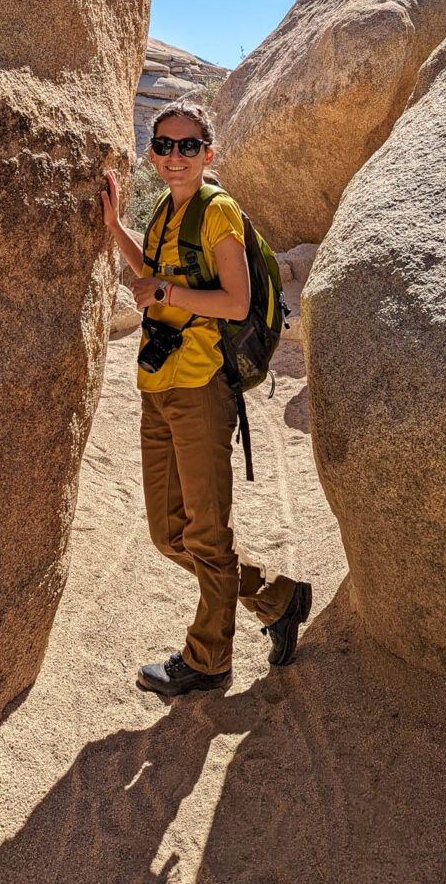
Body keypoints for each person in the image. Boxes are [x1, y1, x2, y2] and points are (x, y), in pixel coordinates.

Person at [103, 100, 312, 696]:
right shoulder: (168, 213)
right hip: (159, 384)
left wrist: (163, 289)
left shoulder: (217, 212)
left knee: (206, 535)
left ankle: (208, 657)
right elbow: (153, 273)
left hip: (200, 385)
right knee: (170, 533)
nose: (175, 156)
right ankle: (280, 597)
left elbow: (235, 303)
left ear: (208, 153)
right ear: (152, 153)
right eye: (164, 146)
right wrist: (116, 227)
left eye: (188, 146)